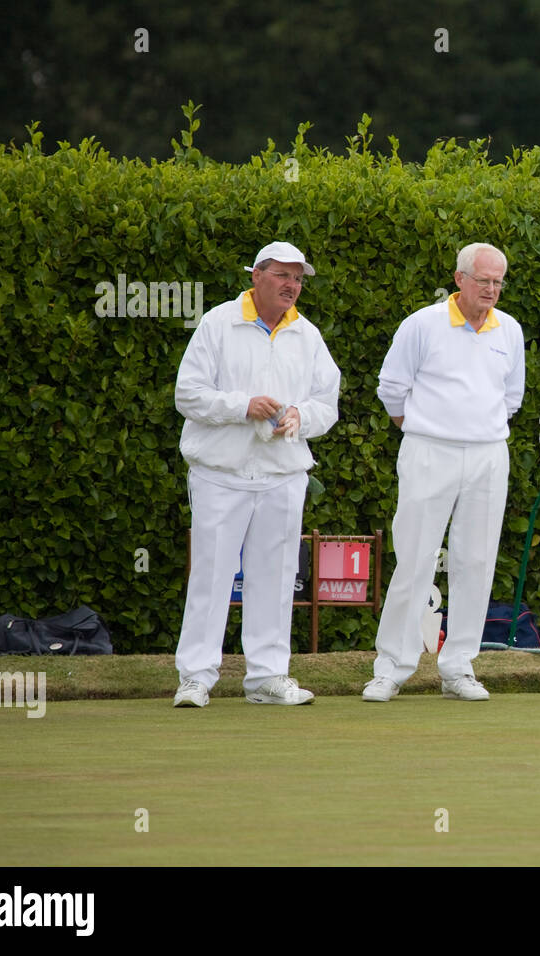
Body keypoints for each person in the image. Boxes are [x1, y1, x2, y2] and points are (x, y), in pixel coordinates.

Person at [173, 241, 341, 707]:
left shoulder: (307, 335)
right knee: (211, 574)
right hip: (219, 472)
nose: (292, 285)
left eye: (299, 279)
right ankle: (195, 678)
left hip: (283, 474)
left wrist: (300, 418)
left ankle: (267, 677)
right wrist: (241, 405)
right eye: (283, 275)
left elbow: (328, 403)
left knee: (277, 574)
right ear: (256, 276)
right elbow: (187, 395)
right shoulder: (217, 323)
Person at [363, 243, 524, 703]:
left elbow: (512, 398)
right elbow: (392, 389)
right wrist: (424, 429)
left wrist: (478, 431)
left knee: (475, 561)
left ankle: (459, 667)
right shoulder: (422, 324)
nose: (491, 290)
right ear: (459, 279)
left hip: (489, 455)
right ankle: (390, 668)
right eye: (484, 281)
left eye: (498, 282)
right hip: (429, 451)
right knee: (415, 559)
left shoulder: (508, 330)